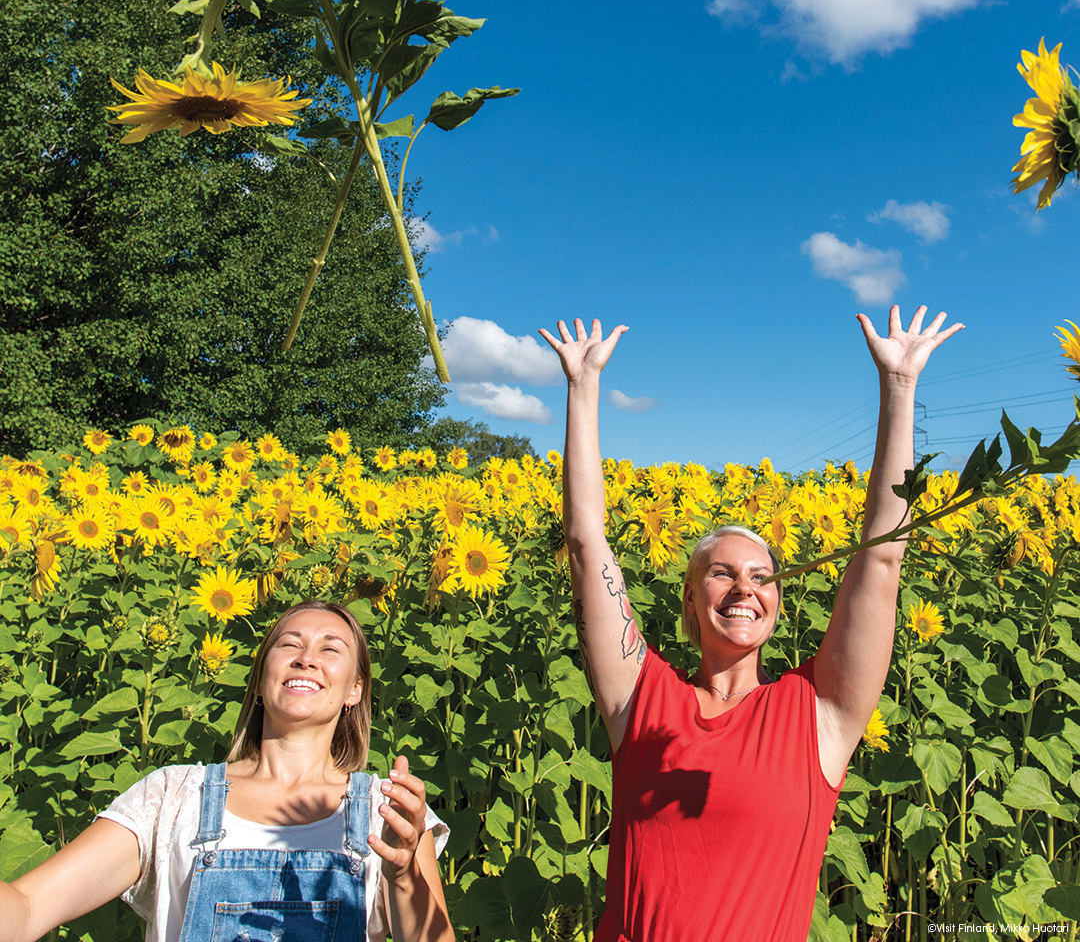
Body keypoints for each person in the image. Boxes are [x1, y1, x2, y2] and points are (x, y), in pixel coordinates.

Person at [539, 307, 963, 942]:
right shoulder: (643, 698)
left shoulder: (819, 714)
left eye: (762, 576)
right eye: (721, 573)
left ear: (779, 603)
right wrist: (582, 388)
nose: (743, 587)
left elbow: (882, 555)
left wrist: (899, 389)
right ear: (688, 600)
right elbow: (585, 544)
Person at [0, 600, 454, 942]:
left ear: (355, 689)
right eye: (289, 644)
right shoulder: (173, 796)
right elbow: (27, 906)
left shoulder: (387, 811)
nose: (306, 658)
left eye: (330, 648)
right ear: (259, 682)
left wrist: (404, 875)